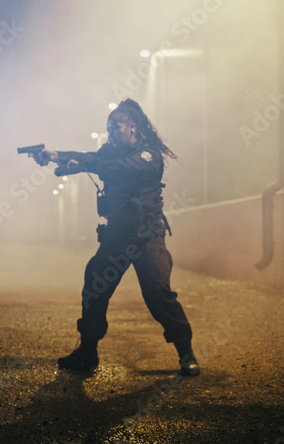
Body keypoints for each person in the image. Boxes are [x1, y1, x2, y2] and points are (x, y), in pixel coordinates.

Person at [35, 99, 199, 377]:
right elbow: (93, 158)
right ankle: (87, 353)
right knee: (94, 288)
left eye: (115, 127)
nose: (110, 132)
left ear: (132, 126)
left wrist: (82, 164)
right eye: (108, 128)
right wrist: (57, 156)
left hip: (147, 236)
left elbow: (116, 167)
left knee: (158, 294)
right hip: (117, 237)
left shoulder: (148, 155)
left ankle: (186, 354)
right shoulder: (110, 151)